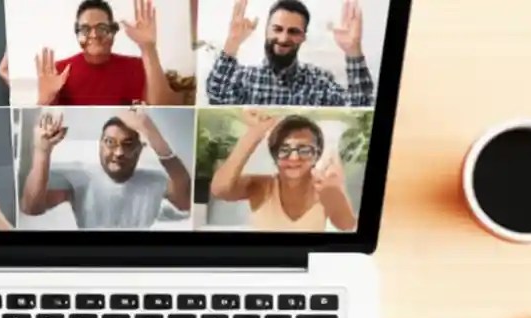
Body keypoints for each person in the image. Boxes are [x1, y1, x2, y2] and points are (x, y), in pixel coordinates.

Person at [21, 107, 191, 229]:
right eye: (110, 142)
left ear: (140, 149)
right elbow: (31, 208)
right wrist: (42, 151)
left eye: (128, 144)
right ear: (100, 145)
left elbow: (186, 200)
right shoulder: (80, 177)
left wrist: (151, 131)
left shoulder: (155, 181)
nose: (118, 152)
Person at [206, 0, 374, 107]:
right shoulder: (243, 77)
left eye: (293, 31)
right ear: (266, 31)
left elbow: (360, 107)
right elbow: (215, 96)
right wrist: (232, 42)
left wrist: (353, 51)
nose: (283, 38)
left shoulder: (320, 81)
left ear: (303, 37)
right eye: (277, 29)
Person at [210, 110, 356, 232]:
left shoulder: (324, 188)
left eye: (304, 150)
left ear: (317, 155)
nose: (294, 158)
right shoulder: (261, 186)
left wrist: (334, 194)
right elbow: (220, 189)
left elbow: (346, 225)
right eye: (284, 150)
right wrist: (255, 132)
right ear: (274, 156)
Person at [34, 0, 177, 106]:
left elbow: (166, 108)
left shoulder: (138, 66)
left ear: (113, 31)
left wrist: (149, 48)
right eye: (85, 29)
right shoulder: (58, 72)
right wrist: (43, 99)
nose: (94, 35)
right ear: (77, 33)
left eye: (101, 28)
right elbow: (42, 124)